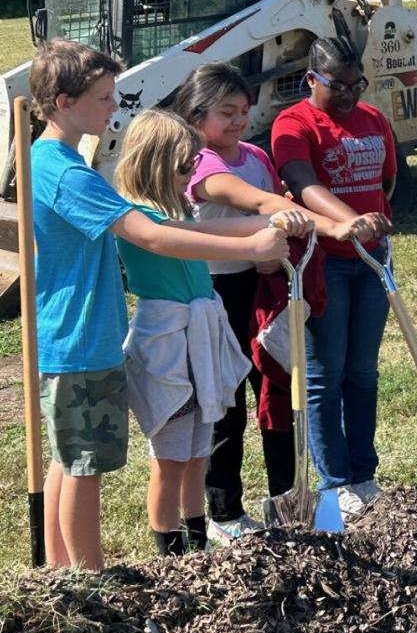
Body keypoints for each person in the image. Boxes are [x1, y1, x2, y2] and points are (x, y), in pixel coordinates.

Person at [28, 39, 288, 571]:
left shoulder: (52, 160)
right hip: (81, 337)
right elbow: (150, 234)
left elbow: (173, 227)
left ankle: (60, 574)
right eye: (103, 97)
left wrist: (266, 222)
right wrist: (248, 248)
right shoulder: (66, 172)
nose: (112, 107)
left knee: (67, 460)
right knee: (86, 466)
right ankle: (91, 578)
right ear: (62, 102)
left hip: (76, 334)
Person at [173, 62, 377, 546]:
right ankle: (225, 510)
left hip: (266, 285)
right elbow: (261, 204)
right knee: (227, 400)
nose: (240, 121)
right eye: (227, 113)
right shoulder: (201, 165)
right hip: (220, 292)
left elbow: (273, 196)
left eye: (244, 111)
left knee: (279, 390)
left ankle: (287, 493)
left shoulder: (252, 154)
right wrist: (335, 225)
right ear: (197, 114)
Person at [112, 110, 314, 555]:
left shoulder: (173, 212)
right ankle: (170, 552)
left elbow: (211, 226)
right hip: (167, 343)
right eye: (184, 168)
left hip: (197, 340)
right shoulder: (139, 218)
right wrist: (252, 242)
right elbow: (195, 238)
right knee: (170, 458)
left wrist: (275, 219)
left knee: (198, 450)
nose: (190, 178)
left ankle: (197, 539)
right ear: (157, 163)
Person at [271, 37, 396, 516]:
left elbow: (387, 181)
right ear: (311, 79)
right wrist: (348, 223)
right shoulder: (294, 123)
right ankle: (335, 480)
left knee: (363, 371)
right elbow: (304, 184)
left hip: (372, 261)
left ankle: (365, 471)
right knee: (327, 371)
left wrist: (373, 222)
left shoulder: (373, 120)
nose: (347, 94)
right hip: (325, 262)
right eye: (336, 85)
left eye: (355, 84)